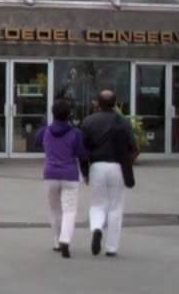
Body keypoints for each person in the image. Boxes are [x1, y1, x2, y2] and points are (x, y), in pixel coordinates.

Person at [78, 90, 136, 257]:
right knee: (116, 206)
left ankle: (96, 228)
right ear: (115, 103)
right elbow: (133, 147)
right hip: (117, 166)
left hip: (96, 166)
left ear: (98, 103)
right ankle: (111, 247)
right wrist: (127, 163)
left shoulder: (89, 121)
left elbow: (83, 150)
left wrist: (85, 171)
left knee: (97, 203)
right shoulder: (123, 122)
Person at [40, 97, 88, 258]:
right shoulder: (75, 133)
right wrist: (86, 173)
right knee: (69, 210)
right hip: (70, 175)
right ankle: (65, 239)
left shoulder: (45, 131)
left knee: (55, 210)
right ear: (69, 115)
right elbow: (82, 154)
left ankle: (56, 241)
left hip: (50, 174)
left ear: (53, 113)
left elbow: (35, 141)